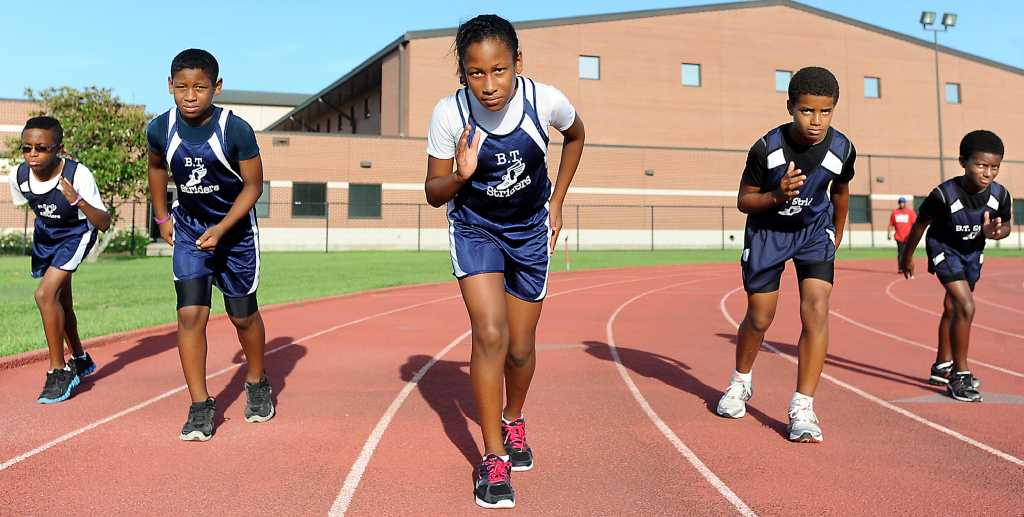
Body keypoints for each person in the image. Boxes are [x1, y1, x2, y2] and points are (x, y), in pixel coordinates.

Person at [424, 14, 585, 509]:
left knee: (520, 348)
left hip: (530, 232)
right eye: (476, 73)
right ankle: (493, 457)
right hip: (475, 229)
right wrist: (460, 175)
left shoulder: (545, 101)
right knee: (489, 335)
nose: (489, 85)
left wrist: (557, 201)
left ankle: (513, 419)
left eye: (499, 70)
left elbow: (577, 136)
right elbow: (433, 191)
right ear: (463, 75)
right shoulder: (449, 114)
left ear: (518, 62)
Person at [716, 67, 855, 443]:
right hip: (768, 233)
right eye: (807, 111)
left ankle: (803, 406)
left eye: (825, 112)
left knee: (817, 308)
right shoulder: (767, 148)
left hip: (812, 234)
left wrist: (835, 236)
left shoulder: (842, 148)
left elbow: (840, 193)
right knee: (760, 318)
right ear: (791, 106)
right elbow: (744, 201)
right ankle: (740, 382)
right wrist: (777, 195)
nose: (816, 121)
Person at [147, 49, 273, 441]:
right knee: (190, 315)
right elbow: (155, 167)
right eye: (181, 87)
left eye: (200, 87)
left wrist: (222, 228)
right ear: (170, 86)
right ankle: (200, 405)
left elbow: (254, 186)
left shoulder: (235, 130)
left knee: (242, 316)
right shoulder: (158, 128)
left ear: (216, 88)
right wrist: (162, 216)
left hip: (234, 235)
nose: (190, 95)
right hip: (189, 231)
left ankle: (256, 382)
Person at [900, 130, 1012, 402]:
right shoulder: (943, 195)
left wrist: (997, 232)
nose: (988, 173)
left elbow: (1006, 225)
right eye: (981, 165)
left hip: (972, 254)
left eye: (994, 167)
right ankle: (959, 375)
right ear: (963, 162)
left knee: (952, 307)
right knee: (965, 306)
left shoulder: (1000, 195)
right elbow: (919, 226)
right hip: (944, 249)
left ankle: (941, 365)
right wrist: (906, 256)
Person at [10, 116, 110, 403]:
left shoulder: (79, 175)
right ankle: (80, 358)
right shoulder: (19, 176)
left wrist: (77, 200)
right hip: (46, 235)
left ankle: (58, 369)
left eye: (41, 148)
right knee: (60, 301)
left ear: (58, 148)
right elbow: (34, 206)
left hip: (76, 233)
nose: (32, 155)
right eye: (26, 148)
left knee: (44, 295)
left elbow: (103, 222)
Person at [887, 196, 916, 273]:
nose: (901, 204)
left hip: (908, 237)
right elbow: (891, 224)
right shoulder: (895, 213)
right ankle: (901, 268)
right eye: (900, 202)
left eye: (902, 202)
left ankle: (909, 267)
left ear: (905, 203)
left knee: (909, 253)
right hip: (899, 237)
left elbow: (914, 225)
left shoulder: (910, 213)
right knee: (901, 253)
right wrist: (889, 234)